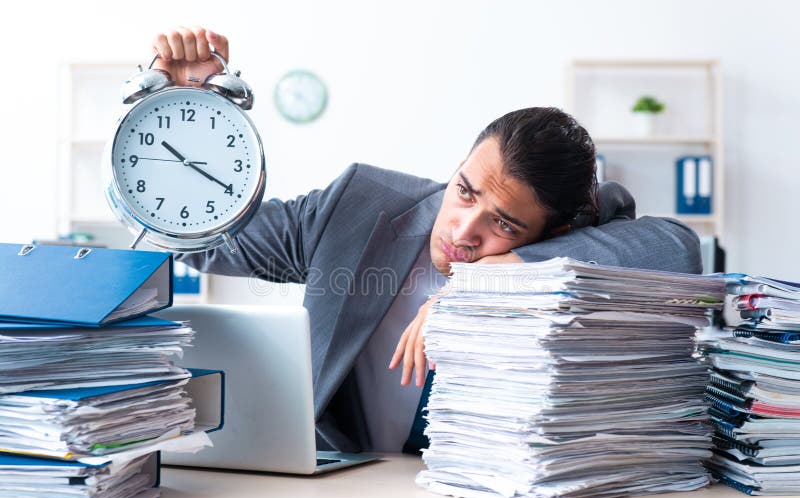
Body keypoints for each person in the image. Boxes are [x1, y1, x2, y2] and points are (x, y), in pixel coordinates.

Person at [155, 27, 702, 453]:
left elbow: (678, 249)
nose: (465, 231)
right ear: (458, 167)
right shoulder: (356, 207)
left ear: (552, 230)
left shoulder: (572, 235)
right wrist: (187, 114)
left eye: (504, 224)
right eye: (464, 192)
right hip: (352, 491)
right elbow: (201, 241)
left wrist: (502, 275)